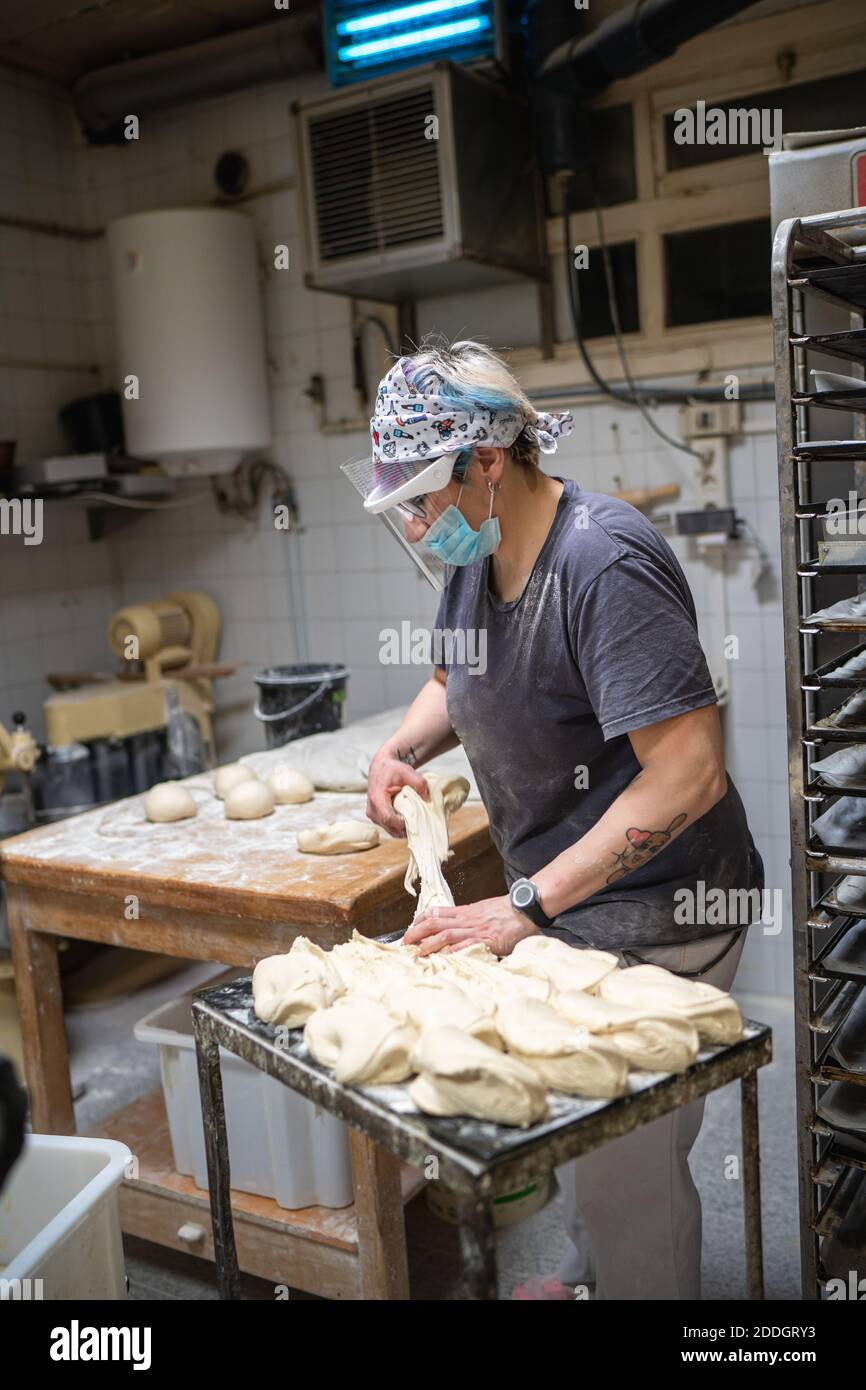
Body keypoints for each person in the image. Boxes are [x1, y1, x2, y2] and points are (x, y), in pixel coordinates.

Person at [358, 340, 763, 1300]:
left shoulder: (602, 561)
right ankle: (589, 1280)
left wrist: (525, 906)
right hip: (572, 911)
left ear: (488, 460)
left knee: (632, 1176)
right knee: (582, 1133)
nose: (416, 523)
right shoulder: (477, 548)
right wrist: (398, 752)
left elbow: (690, 774)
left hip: (666, 914)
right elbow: (453, 675)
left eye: (422, 494)